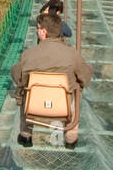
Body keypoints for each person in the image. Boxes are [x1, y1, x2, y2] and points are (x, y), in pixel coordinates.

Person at [10, 13, 93, 147]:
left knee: (27, 88)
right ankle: (71, 138)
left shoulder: (29, 54)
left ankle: (26, 134)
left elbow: (17, 75)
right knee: (75, 89)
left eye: (38, 28)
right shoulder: (72, 55)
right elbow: (86, 78)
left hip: (34, 109)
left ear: (43, 32)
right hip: (63, 109)